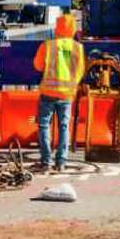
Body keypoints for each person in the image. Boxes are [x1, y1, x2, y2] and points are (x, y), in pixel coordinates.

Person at [31, 11, 85, 171]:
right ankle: (61, 162)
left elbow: (38, 66)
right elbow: (80, 71)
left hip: (48, 92)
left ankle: (46, 161)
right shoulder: (78, 48)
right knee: (64, 127)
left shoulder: (48, 45)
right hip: (67, 94)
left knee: (44, 126)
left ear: (58, 27)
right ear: (73, 28)